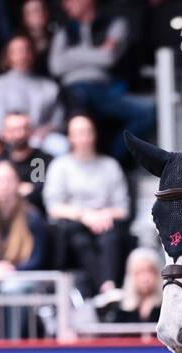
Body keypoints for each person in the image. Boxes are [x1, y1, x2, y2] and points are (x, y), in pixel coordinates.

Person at [50, 0, 156, 158]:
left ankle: (112, 158)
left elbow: (108, 58)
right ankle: (80, 160)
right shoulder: (63, 30)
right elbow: (56, 66)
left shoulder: (115, 24)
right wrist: (95, 54)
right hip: (74, 90)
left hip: (108, 91)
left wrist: (71, 55)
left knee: (150, 110)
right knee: (78, 97)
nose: (65, 5)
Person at [44, 115, 129, 295]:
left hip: (106, 223)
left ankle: (109, 288)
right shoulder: (59, 166)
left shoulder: (110, 166)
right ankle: (104, 290)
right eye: (79, 133)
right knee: (80, 241)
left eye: (88, 132)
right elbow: (53, 207)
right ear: (70, 137)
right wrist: (84, 215)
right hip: (72, 226)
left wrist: (103, 215)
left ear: (95, 135)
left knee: (110, 239)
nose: (85, 137)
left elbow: (123, 209)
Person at [0, 160, 49, 338]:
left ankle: (10, 345)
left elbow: (38, 260)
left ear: (18, 184)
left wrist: (11, 271)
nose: (4, 186)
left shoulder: (33, 219)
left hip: (24, 279)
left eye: (8, 180)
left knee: (11, 289)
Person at [0, 34, 67, 155]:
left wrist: (43, 131)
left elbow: (58, 120)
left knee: (61, 146)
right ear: (9, 56)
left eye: (26, 50)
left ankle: (37, 174)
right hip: (10, 139)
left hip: (42, 139)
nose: (23, 55)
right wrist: (14, 133)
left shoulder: (49, 86)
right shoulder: (0, 84)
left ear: (33, 54)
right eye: (18, 51)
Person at [0, 111, 52, 209]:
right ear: (4, 133)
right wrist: (18, 188)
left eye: (23, 129)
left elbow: (35, 195)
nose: (18, 134)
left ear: (30, 131)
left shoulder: (39, 161)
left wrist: (0, 189)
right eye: (12, 130)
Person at [112, 247, 162, 323]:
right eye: (139, 272)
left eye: (150, 271)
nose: (145, 278)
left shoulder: (166, 308)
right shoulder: (123, 310)